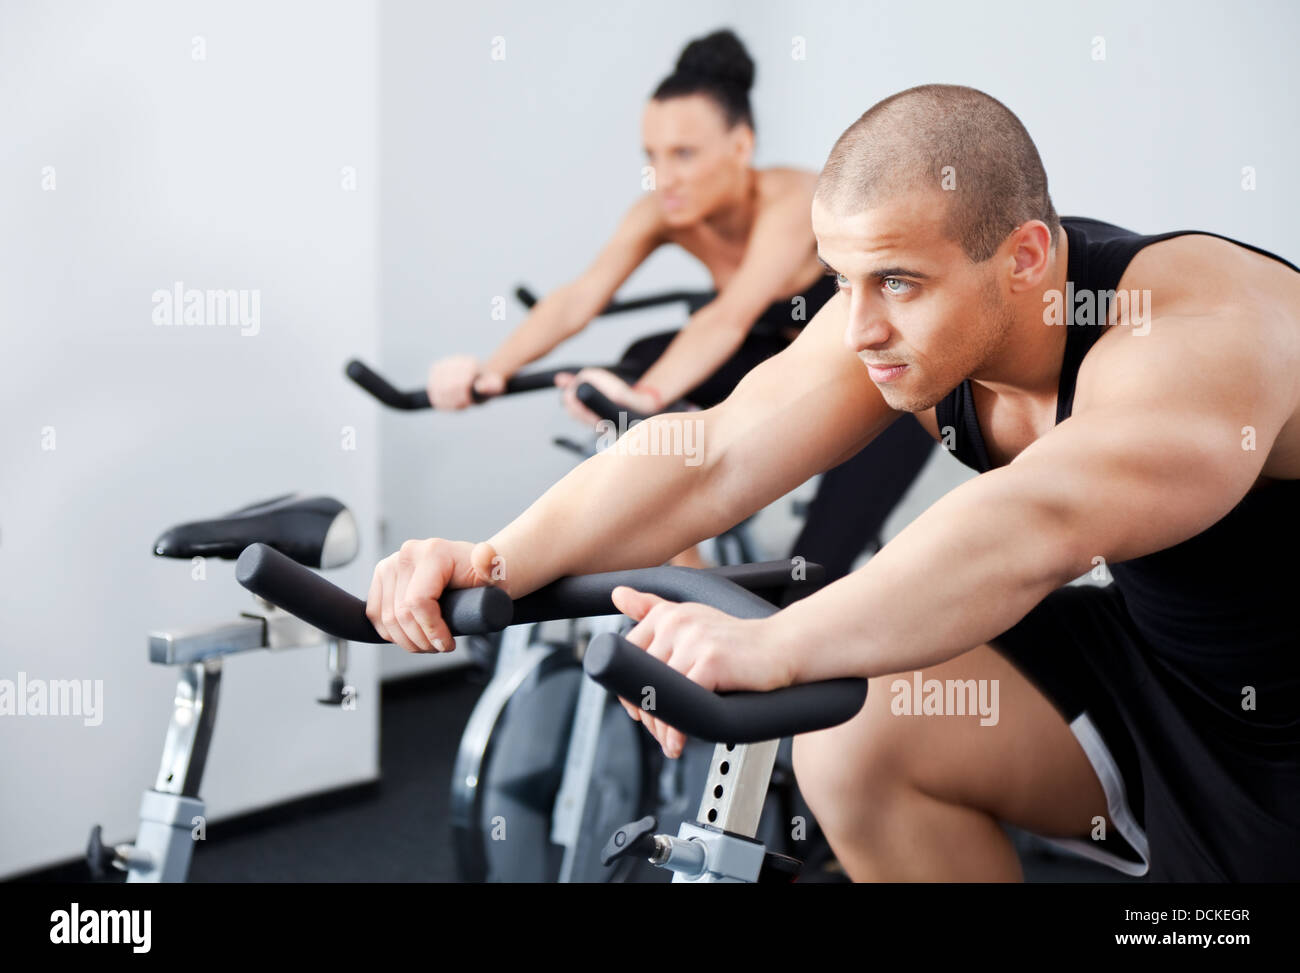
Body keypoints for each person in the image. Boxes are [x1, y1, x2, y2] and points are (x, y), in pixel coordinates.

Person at [368, 83, 1300, 882]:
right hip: (1159, 672)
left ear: (1023, 258)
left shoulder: (1198, 331)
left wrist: (775, 644)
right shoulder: (918, 323)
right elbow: (713, 453)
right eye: (843, 280)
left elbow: (1035, 522)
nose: (857, 329)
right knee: (854, 734)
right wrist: (491, 560)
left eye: (897, 281)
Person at [426, 28, 933, 579]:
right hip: (770, 367)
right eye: (652, 156)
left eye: (684, 155)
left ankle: (787, 601)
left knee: (811, 573)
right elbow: (579, 298)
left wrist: (645, 399)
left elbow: (728, 317)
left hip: (871, 382)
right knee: (641, 354)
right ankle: (682, 561)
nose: (662, 177)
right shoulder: (662, 213)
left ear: (741, 147)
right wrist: (491, 371)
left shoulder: (794, 200)